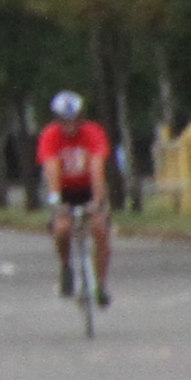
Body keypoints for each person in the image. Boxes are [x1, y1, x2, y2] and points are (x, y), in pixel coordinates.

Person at [31, 91, 116, 303]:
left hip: (88, 187)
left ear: (82, 117)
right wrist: (56, 200)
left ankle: (101, 285)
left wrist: (97, 200)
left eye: (75, 120)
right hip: (64, 188)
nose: (70, 126)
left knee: (100, 229)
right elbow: (51, 169)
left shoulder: (93, 132)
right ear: (57, 121)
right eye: (64, 121)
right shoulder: (50, 135)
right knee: (62, 229)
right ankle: (66, 265)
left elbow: (97, 168)